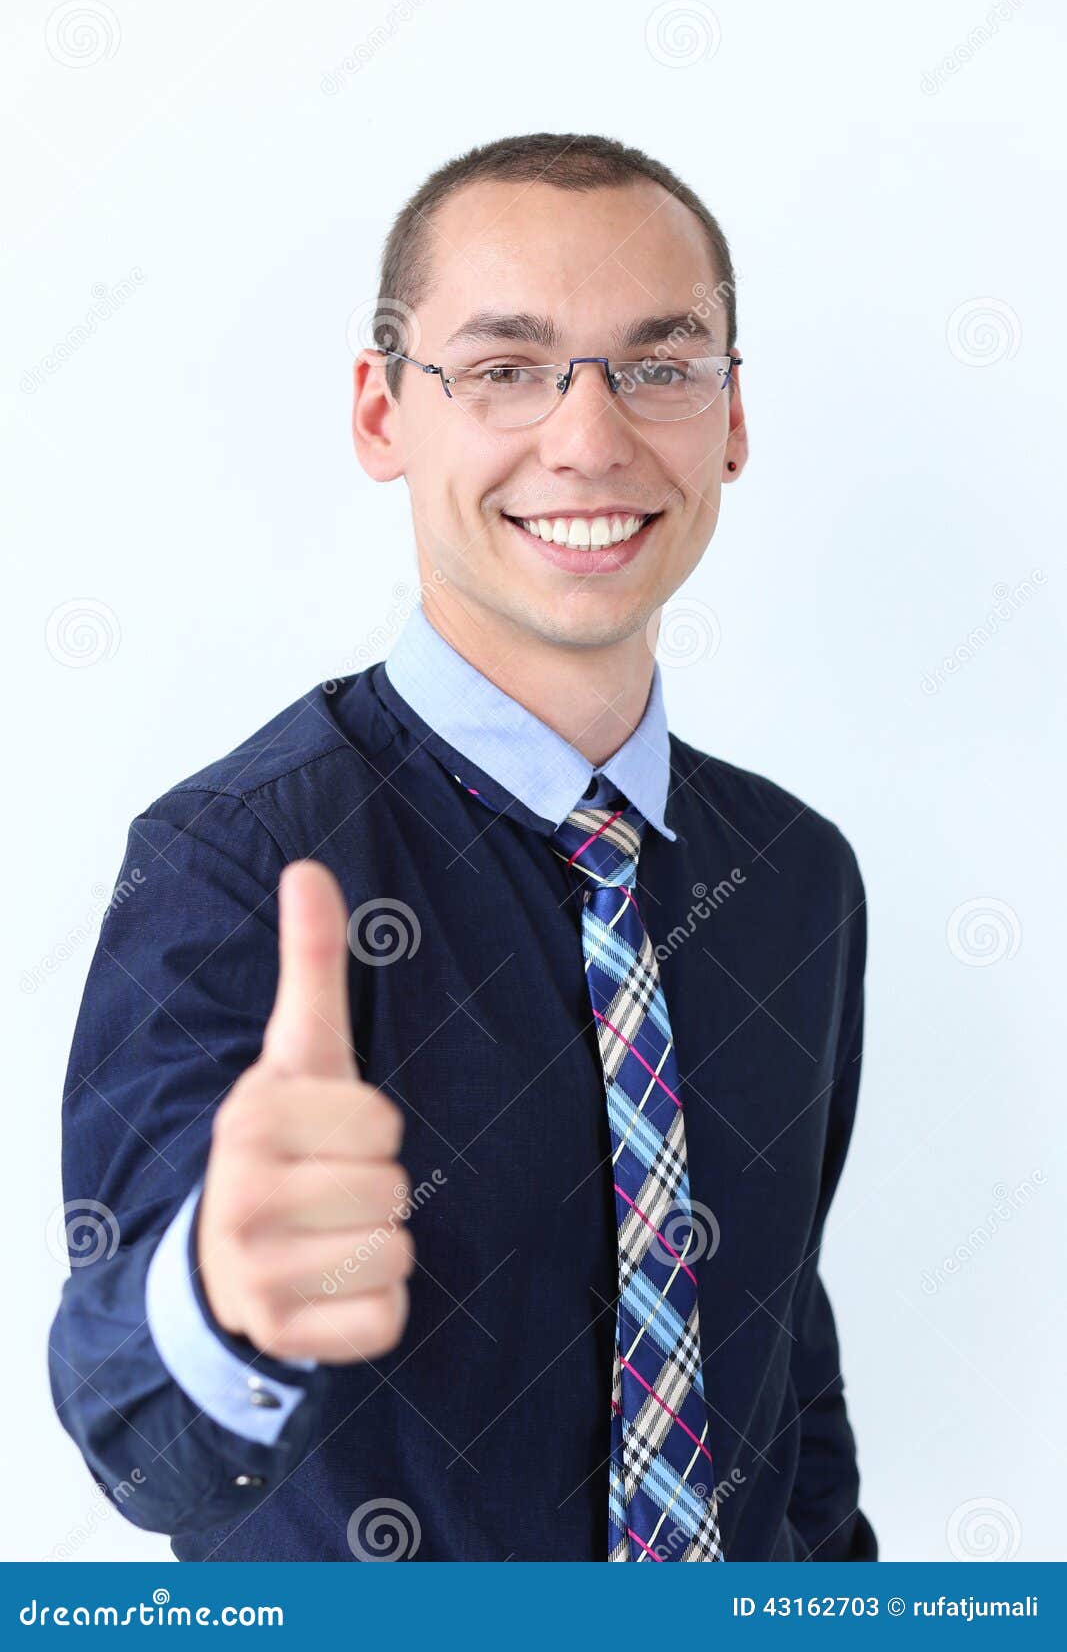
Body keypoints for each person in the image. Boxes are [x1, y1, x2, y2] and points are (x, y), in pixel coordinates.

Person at [49, 131, 877, 1563]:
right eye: (505, 368)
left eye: (660, 366)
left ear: (731, 417)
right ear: (383, 415)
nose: (590, 438)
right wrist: (217, 1297)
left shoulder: (797, 874)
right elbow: (142, 1442)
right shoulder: (238, 863)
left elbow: (777, 1356)